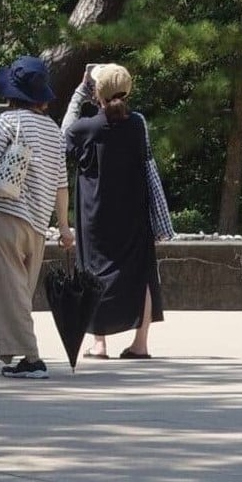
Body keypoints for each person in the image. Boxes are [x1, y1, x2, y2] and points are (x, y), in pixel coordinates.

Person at [0, 56, 74, 378]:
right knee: (7, 286)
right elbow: (61, 184)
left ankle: (32, 357)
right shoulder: (53, 130)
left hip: (6, 214)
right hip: (38, 223)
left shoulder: (6, 122)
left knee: (8, 288)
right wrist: (64, 227)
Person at [62, 62, 172, 359]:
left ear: (96, 91)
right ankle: (141, 343)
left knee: (92, 271)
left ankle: (99, 343)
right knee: (142, 273)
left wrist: (79, 93)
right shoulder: (137, 123)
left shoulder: (88, 128)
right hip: (134, 212)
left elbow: (64, 138)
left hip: (95, 213)